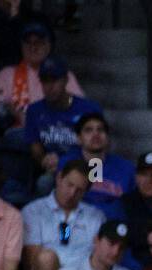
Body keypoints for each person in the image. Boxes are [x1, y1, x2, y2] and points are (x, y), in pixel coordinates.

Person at [0, 21, 85, 135]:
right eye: (28, 42)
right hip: (20, 134)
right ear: (21, 46)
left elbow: (80, 107)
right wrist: (15, 112)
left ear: (48, 46)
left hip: (56, 132)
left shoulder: (65, 75)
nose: (33, 47)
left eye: (39, 42)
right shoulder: (7, 74)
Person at [22, 159, 104, 270]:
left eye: (79, 190)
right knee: (46, 259)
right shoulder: (33, 211)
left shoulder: (96, 217)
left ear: (86, 192)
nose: (72, 193)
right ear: (59, 178)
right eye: (70, 185)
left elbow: (98, 260)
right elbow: (31, 262)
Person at [25, 56, 101, 192]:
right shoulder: (34, 110)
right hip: (53, 171)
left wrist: (96, 179)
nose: (50, 86)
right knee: (44, 183)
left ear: (65, 80)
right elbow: (34, 145)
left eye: (55, 80)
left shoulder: (89, 109)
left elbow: (99, 147)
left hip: (85, 167)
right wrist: (44, 159)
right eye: (45, 81)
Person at [57, 113, 134, 217]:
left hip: (114, 228)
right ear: (79, 138)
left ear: (107, 137)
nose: (95, 134)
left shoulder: (126, 168)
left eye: (100, 130)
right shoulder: (68, 164)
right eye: (88, 130)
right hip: (77, 226)